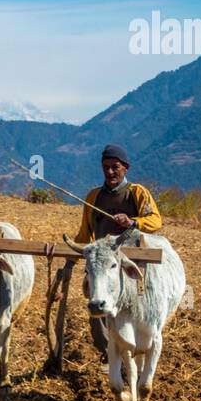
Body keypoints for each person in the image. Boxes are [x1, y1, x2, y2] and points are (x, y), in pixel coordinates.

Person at [75, 144, 162, 357]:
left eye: (115, 167)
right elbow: (85, 234)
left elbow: (155, 220)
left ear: (126, 168)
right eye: (106, 167)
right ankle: (109, 354)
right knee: (98, 310)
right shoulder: (93, 197)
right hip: (100, 264)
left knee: (133, 311)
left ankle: (132, 352)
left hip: (128, 264)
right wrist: (69, 255)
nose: (110, 172)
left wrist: (133, 221)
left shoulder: (137, 193)